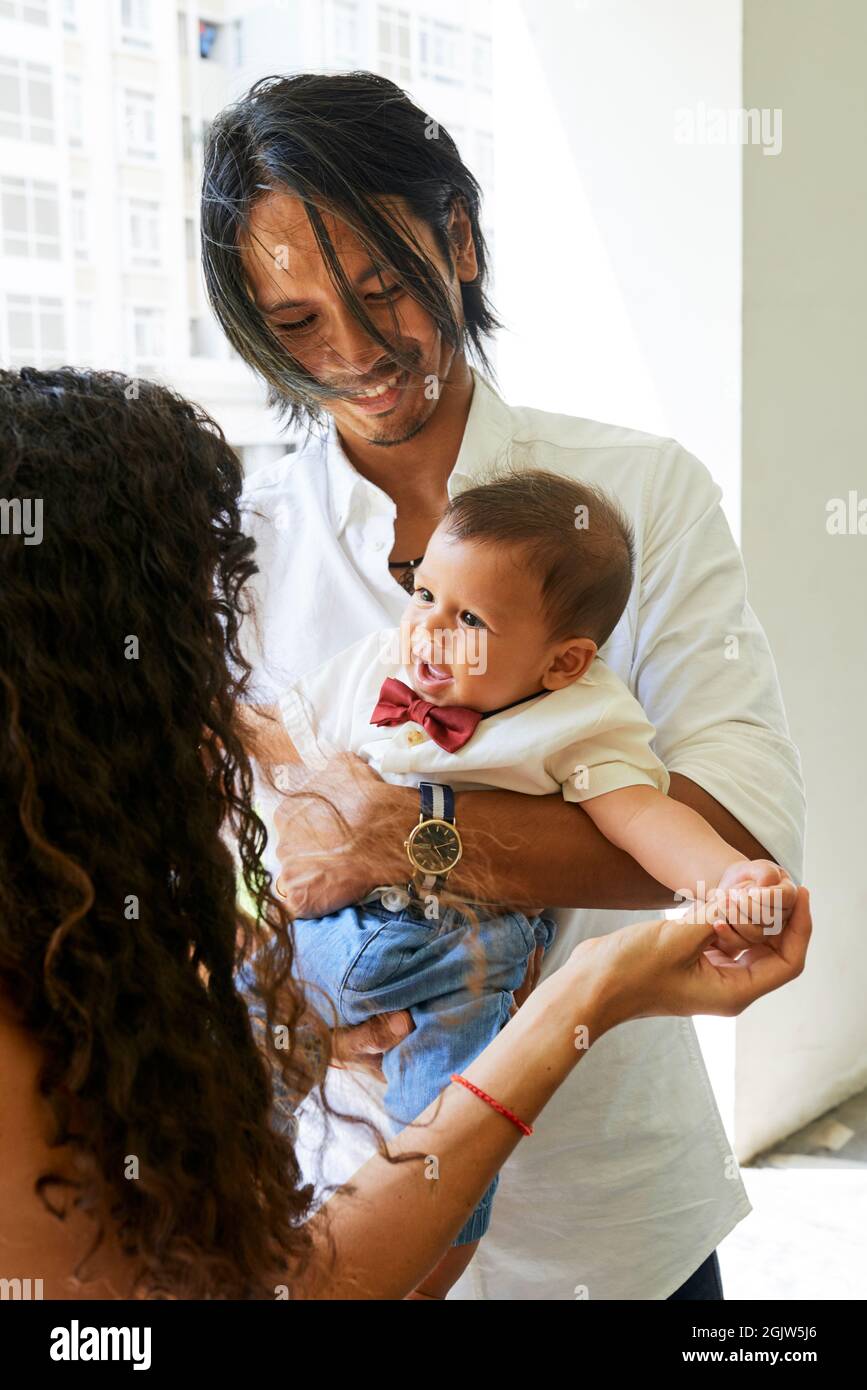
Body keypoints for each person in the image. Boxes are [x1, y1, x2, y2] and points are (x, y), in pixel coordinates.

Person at [0, 366, 811, 1300]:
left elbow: (673, 821)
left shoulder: (585, 692)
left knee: (426, 1116)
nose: (427, 632)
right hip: (342, 986)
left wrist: (722, 886)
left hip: (511, 1047)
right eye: (197, 628)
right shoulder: (357, 655)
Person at [201, 70, 807, 1299]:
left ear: (460, 242)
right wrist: (269, 1003)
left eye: (383, 291)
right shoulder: (239, 545)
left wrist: (409, 836)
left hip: (610, 1220)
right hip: (341, 1198)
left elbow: (736, 834)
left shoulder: (633, 499)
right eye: (300, 320)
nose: (359, 355)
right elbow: (221, 868)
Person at [256, 468, 797, 1298]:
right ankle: (221, 1194)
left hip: (459, 964)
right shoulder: (377, 668)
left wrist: (729, 880)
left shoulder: (577, 720)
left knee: (440, 1130)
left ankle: (434, 1266)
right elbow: (279, 745)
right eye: (423, 593)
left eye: (468, 619)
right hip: (326, 934)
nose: (428, 632)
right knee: (233, 1032)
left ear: (563, 660)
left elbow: (644, 820)